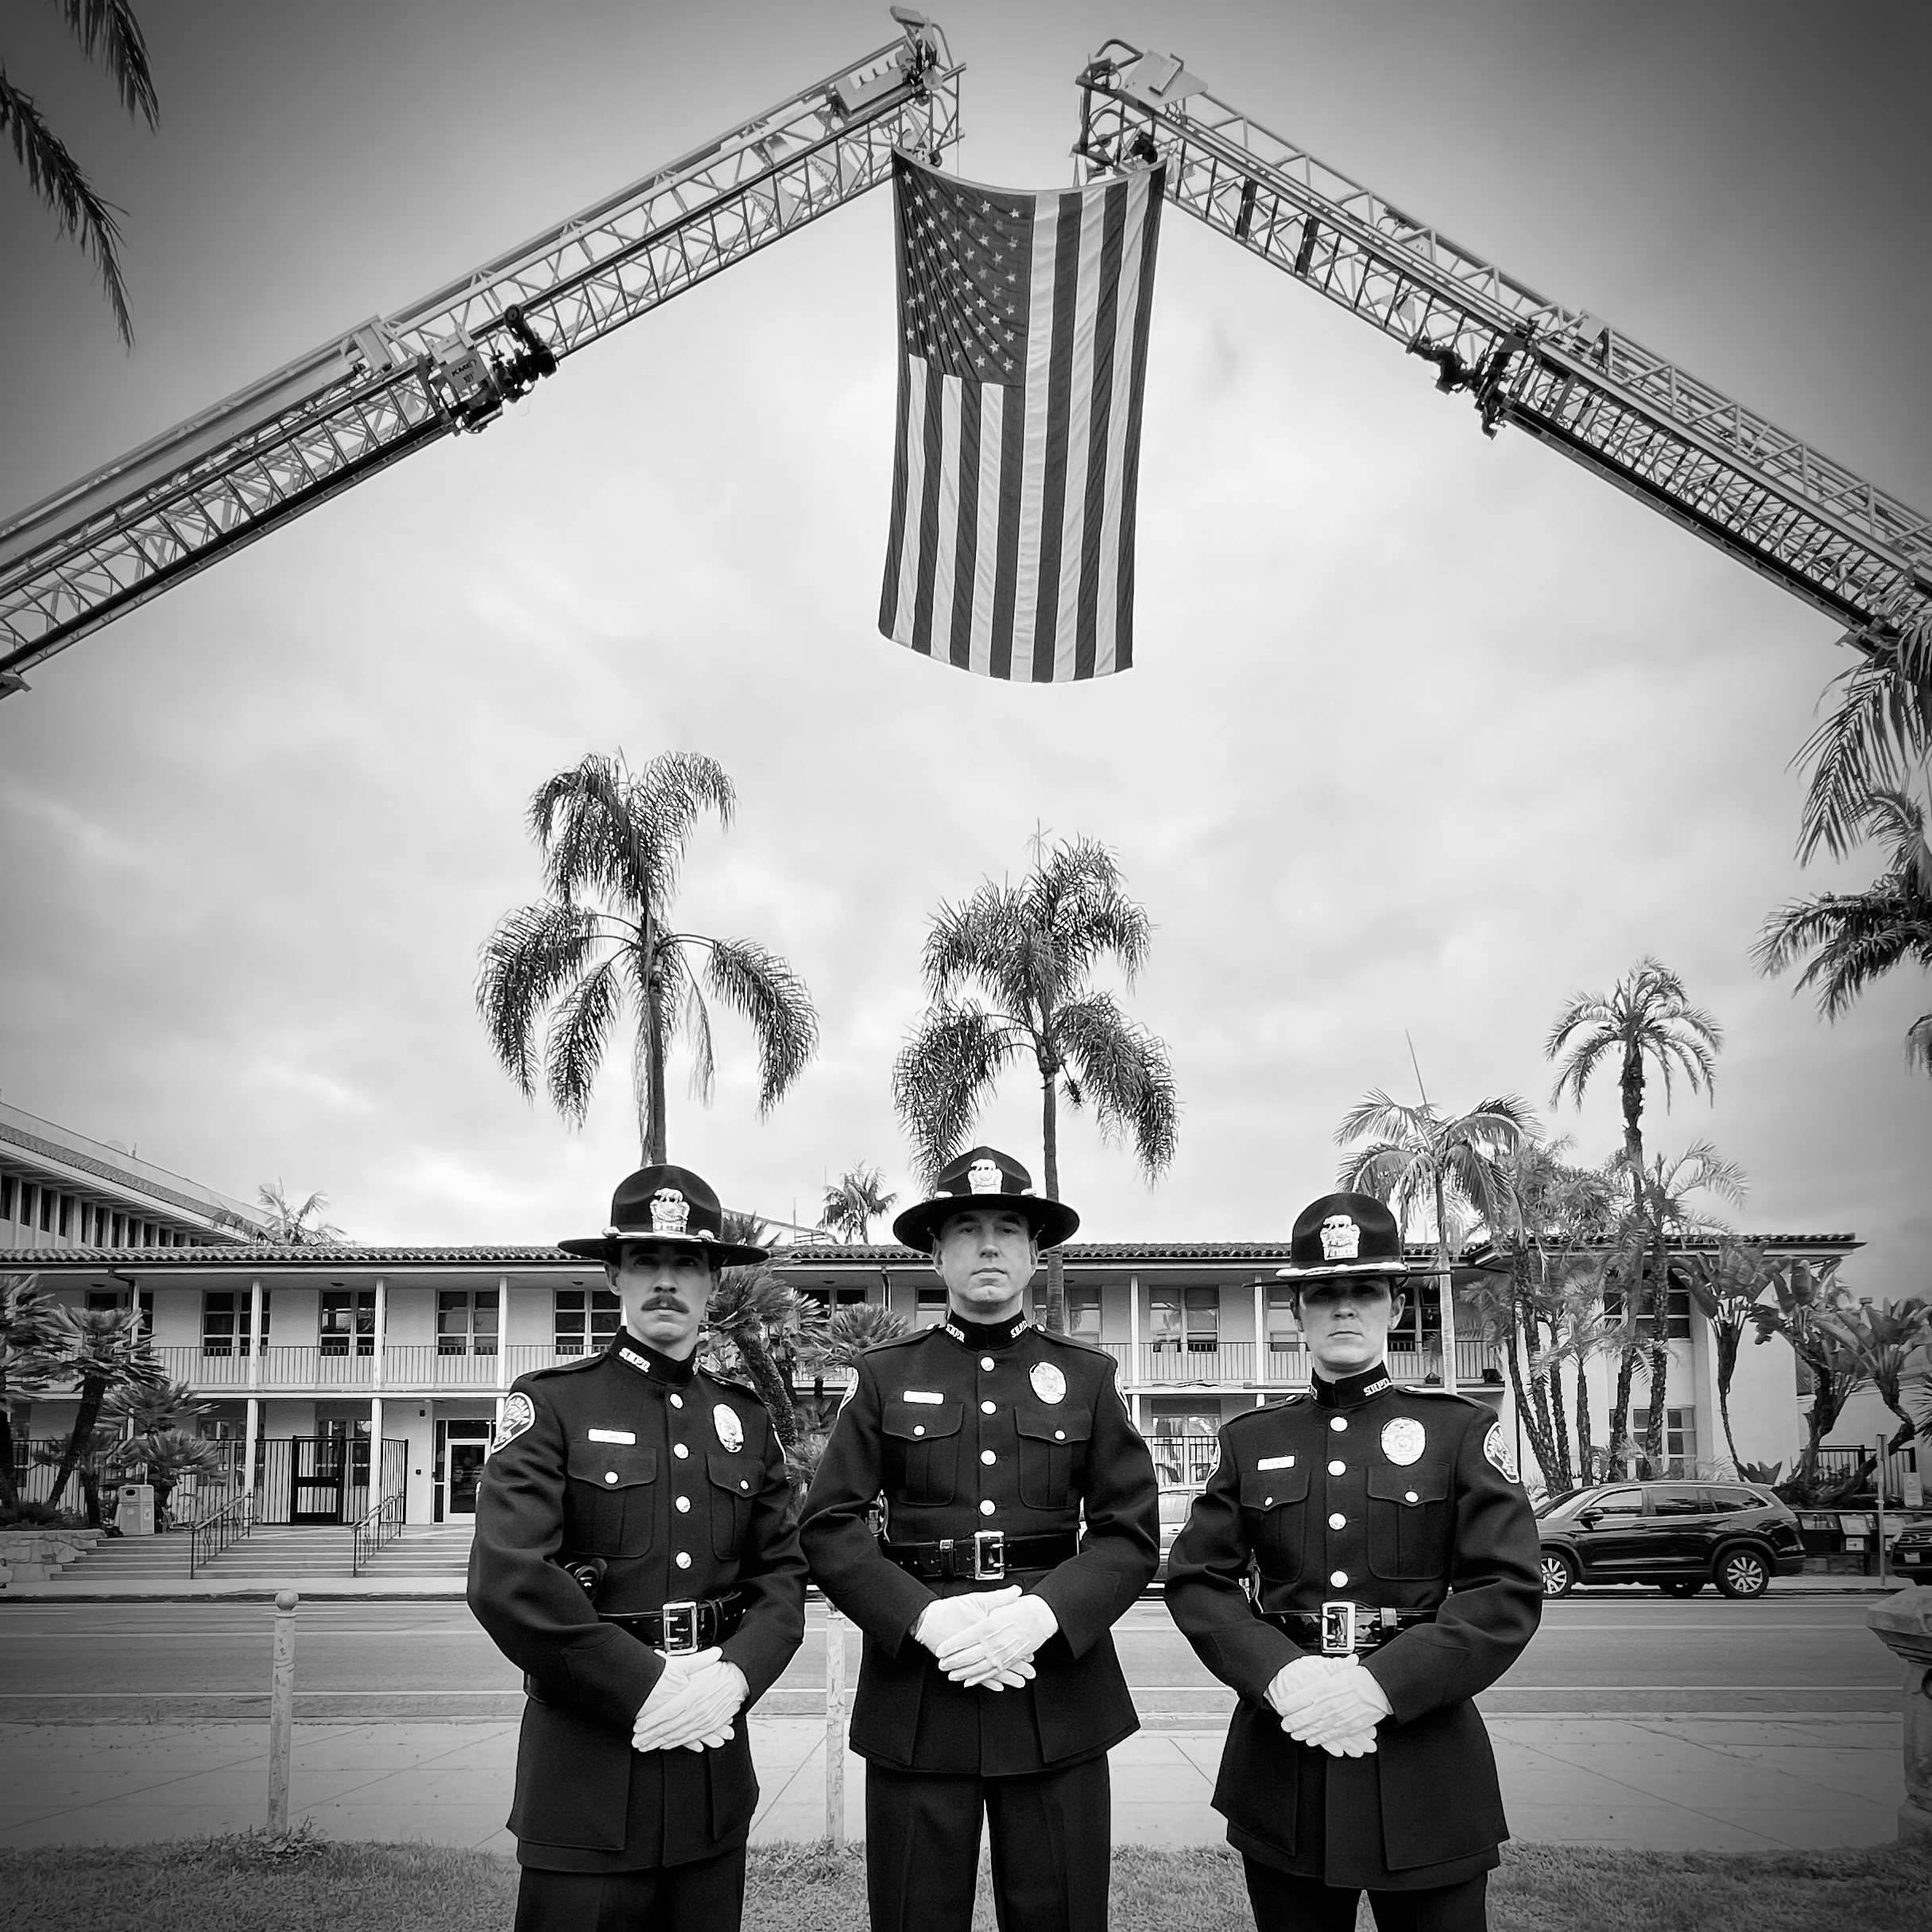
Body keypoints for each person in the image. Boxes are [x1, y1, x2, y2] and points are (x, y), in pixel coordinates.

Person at [800, 1145, 1159, 1932]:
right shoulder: (885, 1375)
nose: (988, 1245)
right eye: (967, 1228)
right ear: (936, 1250)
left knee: (1061, 1914)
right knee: (913, 1915)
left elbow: (1128, 1532)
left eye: (1007, 1228)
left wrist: (1040, 1616)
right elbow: (829, 1524)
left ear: (1035, 1251)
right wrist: (925, 1618)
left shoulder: (1089, 1377)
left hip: (1055, 1687)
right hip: (922, 1691)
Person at [1163, 1191, 1541, 1932]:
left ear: (1393, 1307)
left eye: (1363, 1290)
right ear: (1296, 1313)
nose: (1343, 1308)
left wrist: (1381, 1685)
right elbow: (1197, 1579)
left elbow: (1505, 1587)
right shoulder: (1250, 1439)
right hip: (1287, 1755)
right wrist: (1280, 1672)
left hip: (1421, 1758)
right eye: (1322, 1292)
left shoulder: (1456, 1431)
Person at [467, 1163, 807, 1932]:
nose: (666, 1280)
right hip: (587, 1763)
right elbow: (508, 1576)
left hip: (710, 1764)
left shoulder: (744, 1419)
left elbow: (781, 1575)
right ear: (614, 1273)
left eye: (686, 1262)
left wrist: (736, 1677)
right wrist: (644, 1685)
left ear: (712, 1280)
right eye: (647, 1260)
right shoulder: (553, 1401)